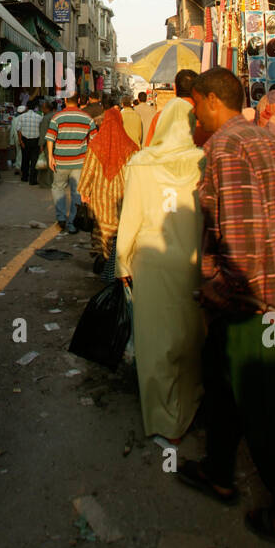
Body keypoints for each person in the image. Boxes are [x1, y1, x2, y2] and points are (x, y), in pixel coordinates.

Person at [177, 68, 275, 548]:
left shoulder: (225, 146)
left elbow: (237, 232)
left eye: (197, 104)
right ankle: (218, 471)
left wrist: (223, 290)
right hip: (274, 286)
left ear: (212, 101)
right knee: (220, 380)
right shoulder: (263, 140)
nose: (195, 114)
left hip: (251, 301)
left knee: (264, 409)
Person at [116, 99, 205, 441]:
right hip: (192, 261)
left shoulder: (141, 163)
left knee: (155, 343)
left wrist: (123, 261)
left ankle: (163, 420)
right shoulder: (202, 161)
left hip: (152, 261)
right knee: (188, 336)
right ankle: (187, 405)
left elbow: (132, 219)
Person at [78, 105, 138, 276]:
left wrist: (84, 191)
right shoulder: (130, 147)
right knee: (117, 230)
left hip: (99, 196)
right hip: (121, 196)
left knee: (100, 228)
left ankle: (103, 260)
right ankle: (114, 264)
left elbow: (88, 170)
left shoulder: (96, 144)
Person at [45, 93, 96, 233]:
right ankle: (73, 222)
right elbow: (94, 140)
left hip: (60, 161)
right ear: (79, 100)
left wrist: (50, 157)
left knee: (58, 188)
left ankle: (61, 218)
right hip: (79, 162)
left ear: (65, 100)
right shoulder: (87, 118)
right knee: (76, 192)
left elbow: (50, 138)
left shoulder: (57, 117)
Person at [17, 97, 43, 185]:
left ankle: (24, 177)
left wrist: (21, 141)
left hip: (25, 140)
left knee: (25, 159)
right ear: (35, 107)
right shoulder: (40, 117)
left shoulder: (21, 117)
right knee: (34, 160)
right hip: (35, 141)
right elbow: (41, 130)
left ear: (27, 107)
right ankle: (33, 179)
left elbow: (18, 130)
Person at [37, 101, 55, 187]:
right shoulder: (56, 115)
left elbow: (43, 133)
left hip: (48, 144)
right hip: (57, 143)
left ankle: (47, 182)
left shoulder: (46, 118)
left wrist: (41, 145)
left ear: (46, 109)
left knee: (47, 163)